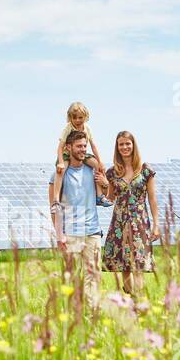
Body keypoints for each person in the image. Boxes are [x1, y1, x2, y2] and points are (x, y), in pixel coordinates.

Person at [51, 129, 108, 310]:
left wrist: (105, 185)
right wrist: (59, 235)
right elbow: (54, 207)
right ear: (68, 147)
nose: (83, 149)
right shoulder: (60, 174)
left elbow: (104, 196)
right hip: (71, 235)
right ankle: (73, 317)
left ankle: (92, 316)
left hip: (92, 233)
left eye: (85, 146)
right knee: (71, 278)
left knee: (94, 276)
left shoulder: (92, 170)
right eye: (79, 146)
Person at [102, 130, 159, 295]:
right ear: (117, 147)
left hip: (139, 221)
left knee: (138, 264)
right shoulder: (112, 172)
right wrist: (104, 184)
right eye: (121, 144)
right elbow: (110, 198)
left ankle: (139, 300)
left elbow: (153, 199)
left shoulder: (145, 170)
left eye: (128, 143)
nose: (125, 147)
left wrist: (156, 225)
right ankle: (129, 298)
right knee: (124, 264)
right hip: (119, 222)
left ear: (133, 145)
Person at [54, 102, 105, 178]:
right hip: (67, 155)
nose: (77, 120)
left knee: (98, 165)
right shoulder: (67, 129)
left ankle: (101, 188)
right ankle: (57, 190)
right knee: (61, 170)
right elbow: (60, 147)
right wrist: (61, 162)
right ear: (70, 118)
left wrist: (100, 161)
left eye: (80, 117)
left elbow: (93, 146)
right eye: (74, 118)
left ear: (85, 117)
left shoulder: (87, 129)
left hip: (81, 154)